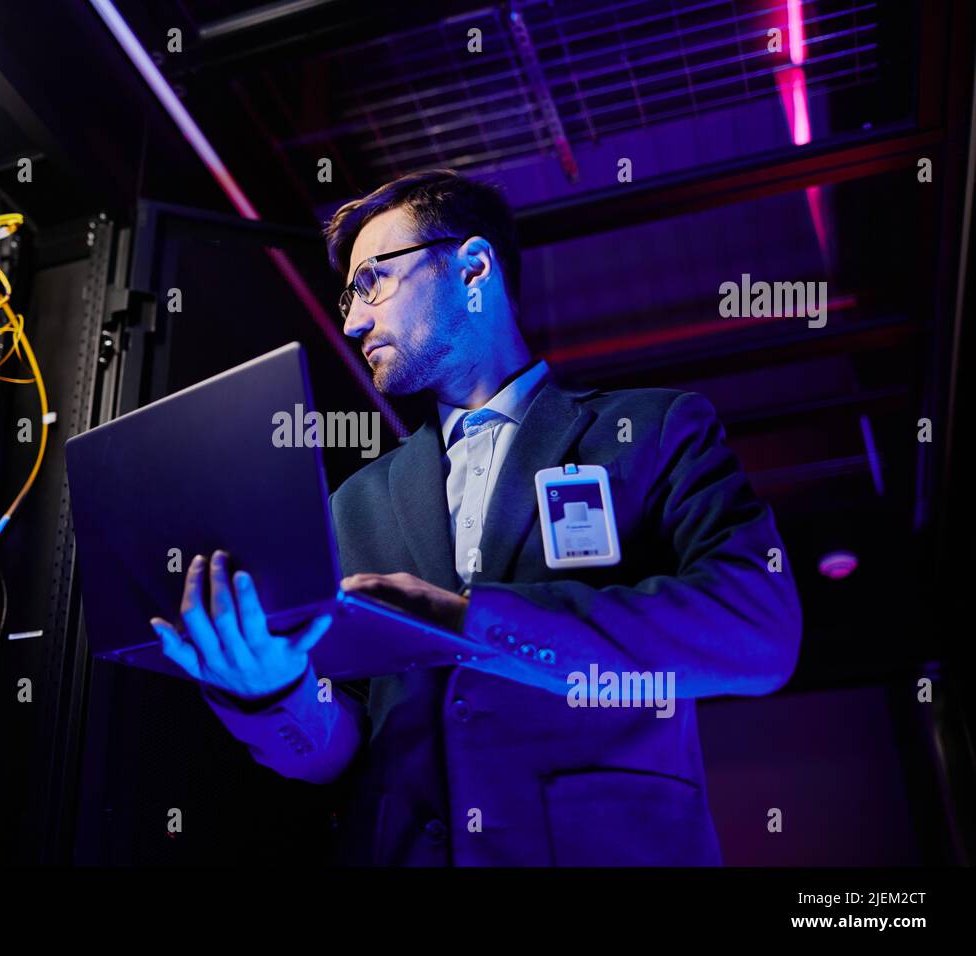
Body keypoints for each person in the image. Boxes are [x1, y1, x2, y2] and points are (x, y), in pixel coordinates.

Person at [149, 168, 802, 866]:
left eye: (371, 281)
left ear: (473, 268)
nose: (352, 321)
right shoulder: (353, 504)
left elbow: (757, 628)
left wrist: (467, 619)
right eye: (346, 297)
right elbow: (345, 749)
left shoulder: (652, 430)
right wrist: (273, 692)